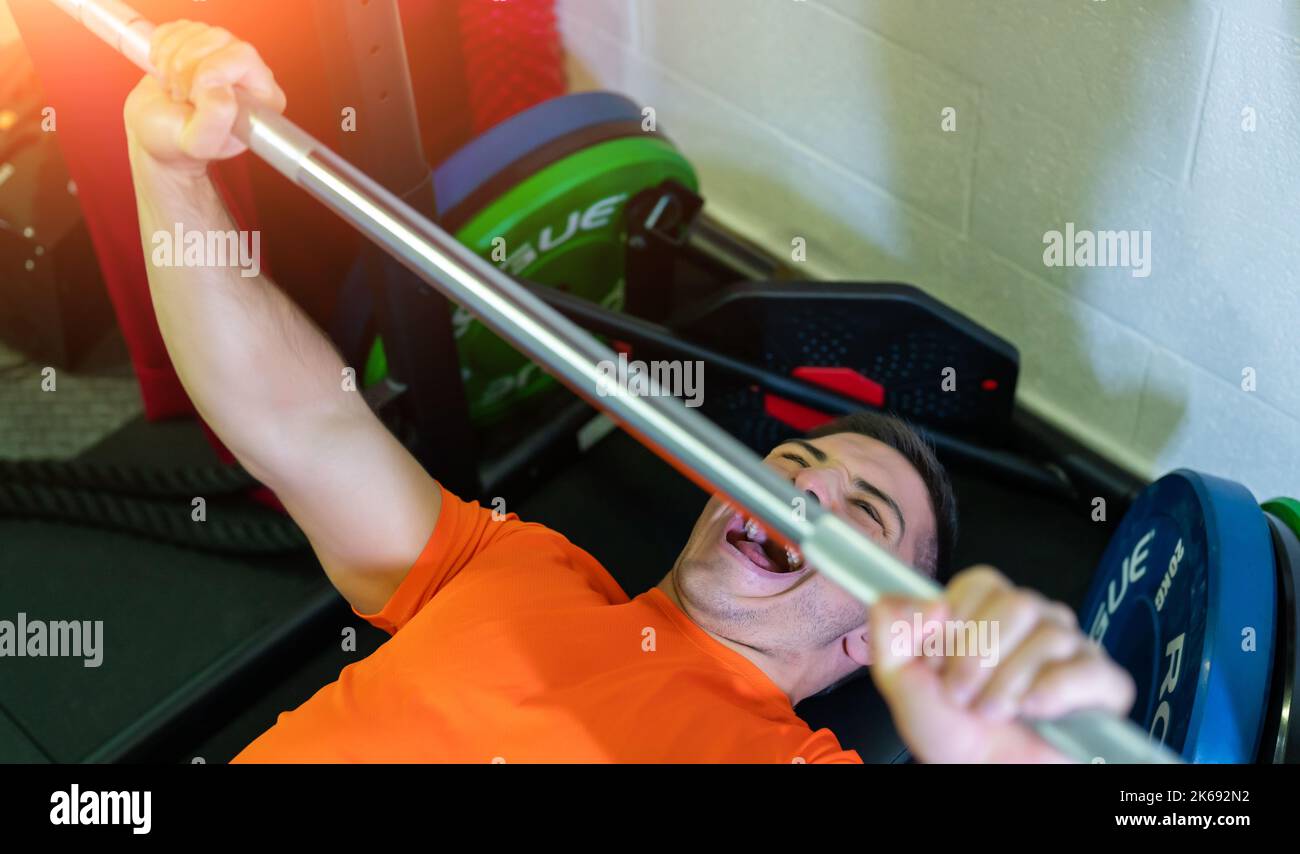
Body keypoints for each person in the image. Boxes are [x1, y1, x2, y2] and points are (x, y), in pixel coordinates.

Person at [124, 21, 1134, 763]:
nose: (802, 489)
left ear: (872, 632)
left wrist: (996, 760)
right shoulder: (519, 567)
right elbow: (298, 420)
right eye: (788, 463)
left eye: (861, 511)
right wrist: (164, 163)